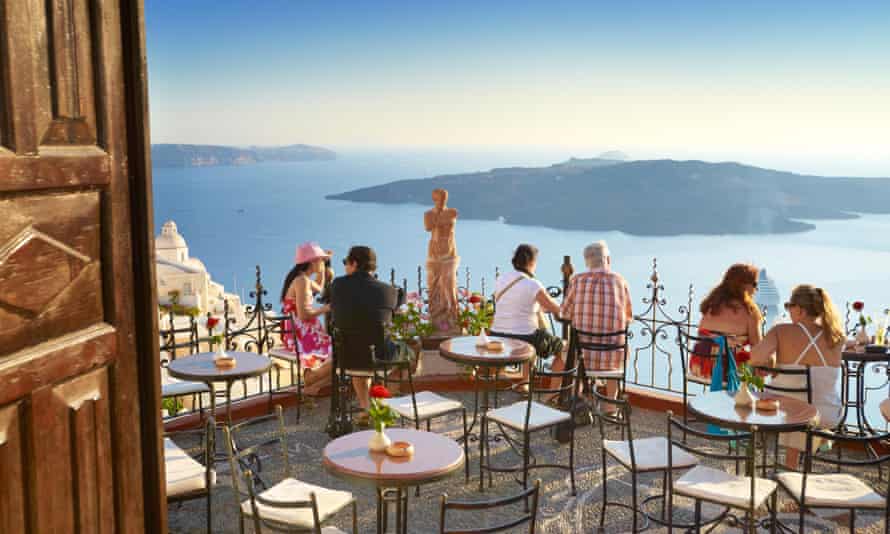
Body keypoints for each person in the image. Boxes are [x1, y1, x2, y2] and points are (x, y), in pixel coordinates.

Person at [750, 284, 844, 469]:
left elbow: (754, 358)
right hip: (827, 412)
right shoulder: (837, 337)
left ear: (800, 310)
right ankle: (808, 450)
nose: (788, 311)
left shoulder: (781, 331)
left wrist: (771, 363)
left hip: (788, 411)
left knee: (790, 404)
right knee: (803, 402)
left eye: (789, 306)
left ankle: (784, 467)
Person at [329, 245, 405, 416]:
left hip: (347, 359)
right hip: (380, 359)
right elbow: (393, 310)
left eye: (345, 262)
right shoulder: (389, 291)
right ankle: (383, 402)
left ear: (354, 263)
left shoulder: (338, 285)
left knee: (360, 357)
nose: (345, 267)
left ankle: (366, 408)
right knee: (407, 348)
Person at [560, 240, 632, 401]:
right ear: (608, 260)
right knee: (619, 351)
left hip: (583, 357)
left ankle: (577, 401)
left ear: (587, 262)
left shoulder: (577, 280)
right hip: (613, 357)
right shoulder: (620, 281)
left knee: (571, 350)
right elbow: (628, 317)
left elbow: (564, 313)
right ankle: (611, 407)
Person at [489, 244, 564, 382]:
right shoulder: (532, 284)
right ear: (532, 262)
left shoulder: (501, 280)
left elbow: (516, 303)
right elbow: (556, 309)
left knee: (531, 333)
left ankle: (524, 382)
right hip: (525, 337)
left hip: (497, 334)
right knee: (563, 349)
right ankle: (551, 395)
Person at [691, 263, 764, 382]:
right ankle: (752, 398)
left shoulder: (712, 305)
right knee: (760, 366)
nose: (756, 289)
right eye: (755, 284)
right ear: (744, 285)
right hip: (726, 371)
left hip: (700, 366)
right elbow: (757, 347)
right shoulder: (749, 311)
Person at [280, 242, 333, 395]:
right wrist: (326, 308)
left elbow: (319, 287)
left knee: (340, 352)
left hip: (299, 332)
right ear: (312, 262)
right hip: (301, 336)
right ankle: (312, 379)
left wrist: (322, 271)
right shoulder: (302, 281)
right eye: (320, 260)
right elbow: (304, 315)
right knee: (339, 350)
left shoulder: (303, 279)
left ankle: (313, 386)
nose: (323, 263)